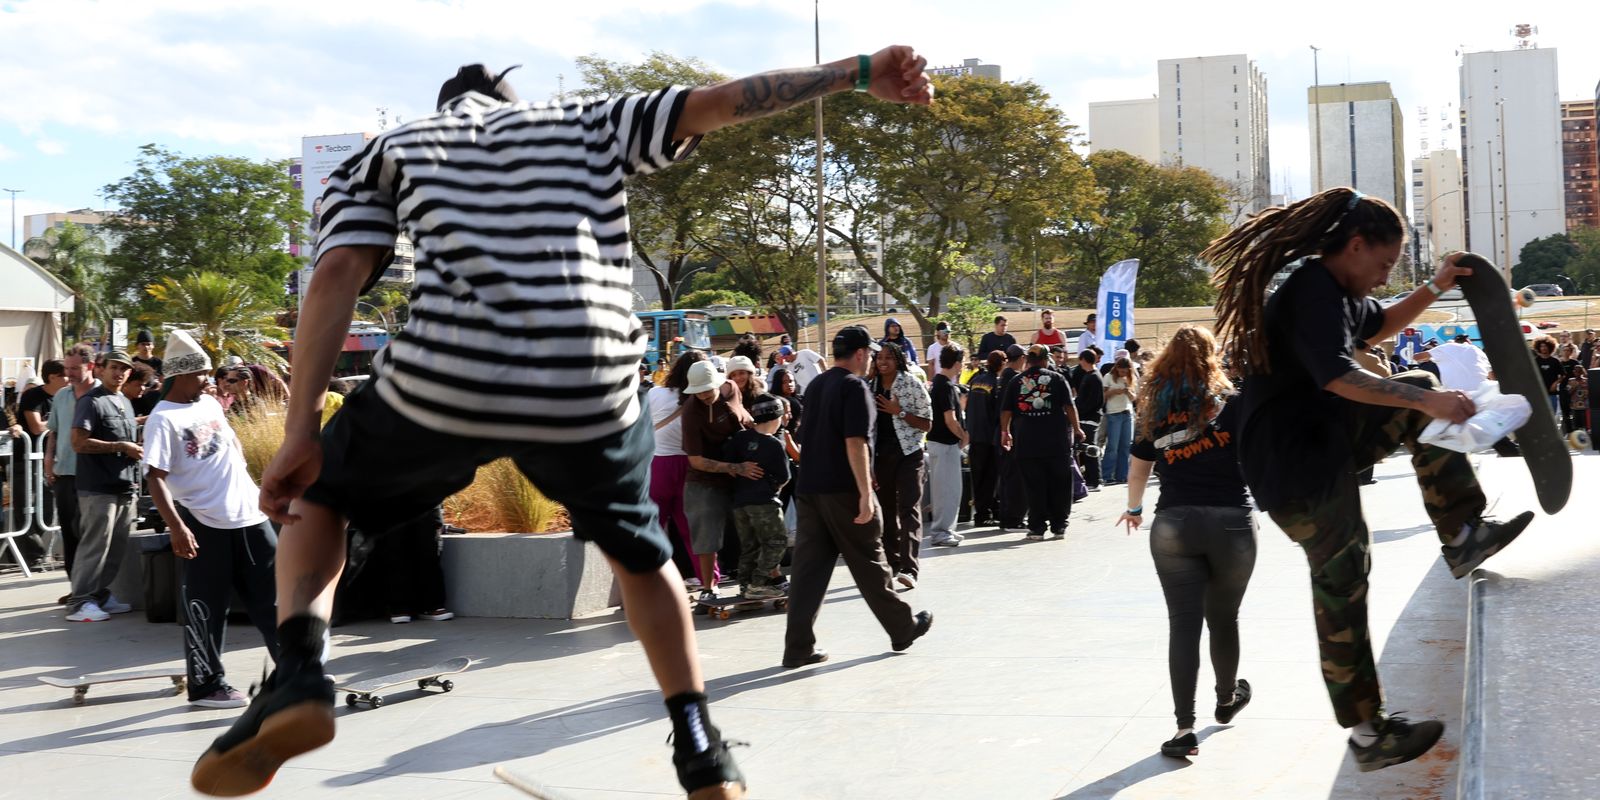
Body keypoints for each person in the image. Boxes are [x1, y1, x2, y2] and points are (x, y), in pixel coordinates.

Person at [191, 48, 936, 800]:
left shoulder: (393, 148)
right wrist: (858, 71)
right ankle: (700, 745)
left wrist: (298, 435)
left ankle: (298, 678)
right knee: (639, 556)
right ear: (516, 103)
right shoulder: (586, 121)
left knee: (325, 500)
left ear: (449, 108)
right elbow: (723, 100)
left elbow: (336, 275)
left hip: (448, 369)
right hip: (585, 377)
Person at [1207, 187, 1533, 770]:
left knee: (1414, 382)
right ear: (1355, 246)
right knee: (1343, 576)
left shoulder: (1337, 291)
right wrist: (1428, 400)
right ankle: (1367, 732)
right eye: (1383, 264)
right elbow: (1336, 375)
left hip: (1325, 442)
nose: (1383, 278)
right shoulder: (1311, 289)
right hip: (1295, 465)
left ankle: (1462, 534)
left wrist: (1435, 287)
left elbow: (1378, 325)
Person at [1116, 325, 1257, 760]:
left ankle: (1183, 728)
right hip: (1232, 522)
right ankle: (1226, 697)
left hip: (1174, 524)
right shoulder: (1233, 404)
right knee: (1224, 618)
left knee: (1184, 624)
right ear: (1212, 358)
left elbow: (1138, 471)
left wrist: (1135, 509)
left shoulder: (1153, 408)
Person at [142, 331, 280, 708]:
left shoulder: (211, 405)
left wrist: (258, 492)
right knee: (207, 606)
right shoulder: (162, 418)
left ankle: (295, 670)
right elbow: (155, 476)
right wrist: (177, 526)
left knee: (275, 599)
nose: (209, 380)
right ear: (182, 375)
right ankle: (206, 685)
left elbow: (232, 449)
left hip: (250, 516)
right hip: (204, 523)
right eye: (203, 373)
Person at [784, 326, 933, 668]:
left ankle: (797, 647)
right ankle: (903, 627)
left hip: (809, 489)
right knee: (870, 561)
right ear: (862, 353)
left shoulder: (818, 384)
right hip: (843, 490)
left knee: (807, 572)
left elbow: (806, 437)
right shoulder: (855, 387)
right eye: (871, 354)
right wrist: (866, 492)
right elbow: (856, 442)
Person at [66, 350, 142, 622]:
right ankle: (80, 603)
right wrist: (121, 446)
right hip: (98, 488)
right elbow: (78, 442)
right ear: (100, 369)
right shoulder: (91, 401)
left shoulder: (124, 400)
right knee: (95, 546)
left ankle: (98, 596)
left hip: (124, 486)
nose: (119, 373)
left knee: (115, 547)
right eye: (113, 367)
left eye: (124, 368)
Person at [683, 360, 756, 605]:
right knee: (706, 534)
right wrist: (733, 468)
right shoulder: (691, 412)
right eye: (698, 390)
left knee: (756, 524)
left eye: (707, 389)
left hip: (743, 469)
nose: (704, 395)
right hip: (705, 477)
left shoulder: (731, 389)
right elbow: (696, 460)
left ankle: (763, 578)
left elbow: (745, 418)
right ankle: (708, 587)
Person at [999, 345, 1083, 541]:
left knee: (1033, 486)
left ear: (1028, 359)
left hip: (1027, 443)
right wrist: (1077, 429)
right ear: (1046, 360)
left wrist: (1006, 432)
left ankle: (1037, 527)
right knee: (1059, 484)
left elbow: (1006, 411)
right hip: (1055, 442)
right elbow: (1069, 406)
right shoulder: (1057, 378)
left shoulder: (1016, 381)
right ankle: (1059, 524)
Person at [870, 341, 933, 585]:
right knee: (886, 511)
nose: (883, 361)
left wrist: (900, 412)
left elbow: (928, 424)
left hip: (909, 454)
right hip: (881, 457)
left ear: (898, 359)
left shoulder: (910, 383)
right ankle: (893, 564)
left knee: (909, 509)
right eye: (879, 357)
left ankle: (910, 569)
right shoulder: (869, 386)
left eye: (889, 357)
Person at [649, 351, 710, 588]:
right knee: (691, 528)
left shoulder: (655, 393)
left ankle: (644, 586)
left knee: (652, 528)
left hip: (658, 465)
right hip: (690, 465)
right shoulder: (699, 401)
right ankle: (709, 581)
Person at [725, 394, 792, 598]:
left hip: (739, 503)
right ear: (776, 417)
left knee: (749, 546)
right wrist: (772, 487)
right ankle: (758, 583)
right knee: (777, 542)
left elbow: (730, 465)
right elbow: (784, 476)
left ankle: (745, 586)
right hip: (764, 502)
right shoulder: (774, 444)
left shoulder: (740, 437)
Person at [45, 345, 99, 592]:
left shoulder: (104, 394)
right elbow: (54, 431)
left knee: (93, 535)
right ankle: (76, 589)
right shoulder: (61, 396)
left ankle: (95, 589)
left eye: (75, 368)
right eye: (67, 369)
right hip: (65, 473)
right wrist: (49, 460)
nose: (69, 374)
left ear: (90, 366)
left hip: (96, 475)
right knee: (70, 533)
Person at [925, 344, 968, 549]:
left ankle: (947, 529)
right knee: (946, 490)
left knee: (951, 489)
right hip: (944, 444)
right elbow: (950, 419)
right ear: (958, 363)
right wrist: (963, 436)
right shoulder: (946, 386)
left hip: (941, 444)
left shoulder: (939, 383)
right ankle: (940, 531)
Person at [964, 351, 1005, 524]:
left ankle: (981, 513)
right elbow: (997, 412)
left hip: (975, 435)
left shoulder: (975, 381)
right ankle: (986, 514)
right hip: (988, 437)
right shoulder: (995, 383)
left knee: (978, 478)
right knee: (990, 477)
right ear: (1001, 364)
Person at [995, 344, 1030, 531]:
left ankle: (1008, 516)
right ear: (1021, 358)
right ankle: (1013, 518)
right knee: (1015, 478)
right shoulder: (1015, 379)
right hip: (1011, 433)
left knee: (1008, 477)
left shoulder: (1004, 377)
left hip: (1003, 432)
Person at [1071, 351, 1105, 491]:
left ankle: (1094, 481)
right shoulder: (1090, 376)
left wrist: (1079, 410)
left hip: (1089, 419)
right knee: (1088, 448)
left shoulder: (1094, 377)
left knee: (1089, 449)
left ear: (1084, 359)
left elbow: (1094, 401)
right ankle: (1092, 479)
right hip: (1087, 417)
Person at [1100, 357, 1137, 485]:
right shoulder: (1108, 377)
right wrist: (1114, 391)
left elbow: (1134, 398)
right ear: (1116, 368)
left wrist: (1128, 392)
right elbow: (1103, 396)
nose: (1123, 374)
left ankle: (1122, 475)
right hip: (1113, 413)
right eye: (1121, 371)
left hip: (1127, 413)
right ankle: (1106, 475)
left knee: (1126, 446)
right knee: (1113, 446)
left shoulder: (1131, 378)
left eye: (1125, 372)